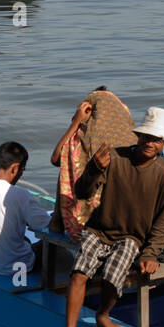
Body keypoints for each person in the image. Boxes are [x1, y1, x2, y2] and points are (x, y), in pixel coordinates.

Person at [47, 107, 164, 327]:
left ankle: (103, 314)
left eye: (156, 140)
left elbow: (162, 221)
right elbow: (82, 192)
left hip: (132, 237)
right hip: (99, 228)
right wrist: (94, 168)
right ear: (138, 136)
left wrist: (150, 253)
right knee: (79, 274)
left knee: (111, 277)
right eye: (147, 137)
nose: (150, 143)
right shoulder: (114, 158)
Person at [50, 88, 136, 240]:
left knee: (68, 160)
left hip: (92, 225)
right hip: (127, 224)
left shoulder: (81, 140)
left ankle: (57, 221)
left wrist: (76, 122)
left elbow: (56, 159)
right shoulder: (131, 138)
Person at [0, 141, 52, 277]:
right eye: (22, 171)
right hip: (17, 267)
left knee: (25, 241)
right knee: (50, 244)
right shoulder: (21, 195)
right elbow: (48, 226)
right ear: (15, 168)